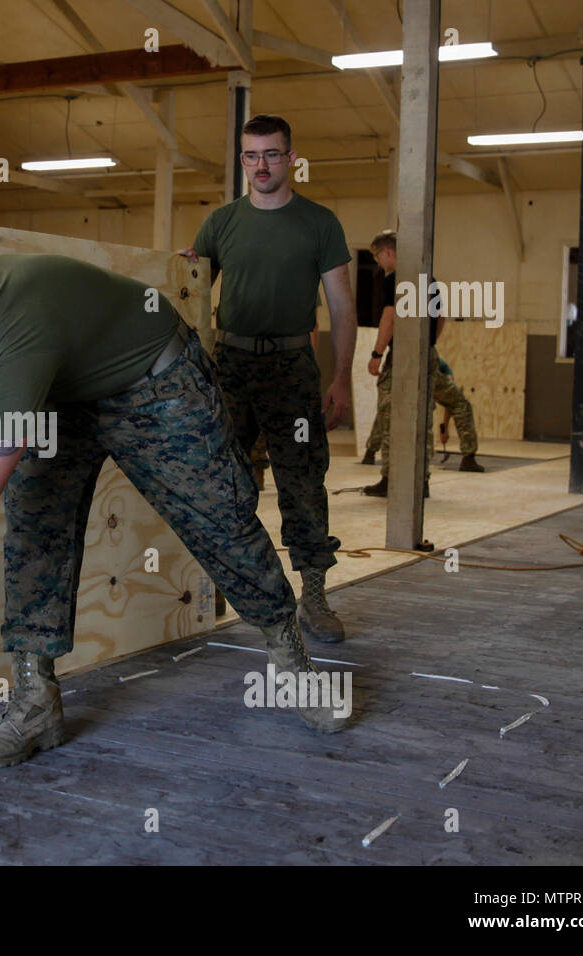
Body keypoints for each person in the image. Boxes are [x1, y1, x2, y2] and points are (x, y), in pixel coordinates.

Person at [0, 234, 350, 771]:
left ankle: (289, 659)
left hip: (152, 380)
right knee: (35, 530)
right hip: (58, 392)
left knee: (219, 519)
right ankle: (36, 703)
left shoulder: (9, 334)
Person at [178, 114, 356, 645]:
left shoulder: (320, 223)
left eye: (273, 154)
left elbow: (342, 307)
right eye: (252, 155)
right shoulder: (221, 223)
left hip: (292, 369)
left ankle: (315, 596)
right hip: (230, 366)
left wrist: (341, 377)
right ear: (241, 161)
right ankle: (225, 588)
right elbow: (191, 290)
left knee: (301, 482)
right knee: (226, 483)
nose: (262, 165)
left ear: (291, 158)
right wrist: (185, 266)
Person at [361, 230, 483, 496]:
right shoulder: (429, 279)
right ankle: (421, 482)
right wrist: (428, 344)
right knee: (421, 417)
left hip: (403, 357)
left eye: (378, 257)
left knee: (391, 415)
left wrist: (376, 354)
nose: (378, 263)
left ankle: (390, 479)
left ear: (389, 253)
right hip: (425, 355)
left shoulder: (395, 279)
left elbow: (389, 318)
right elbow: (440, 318)